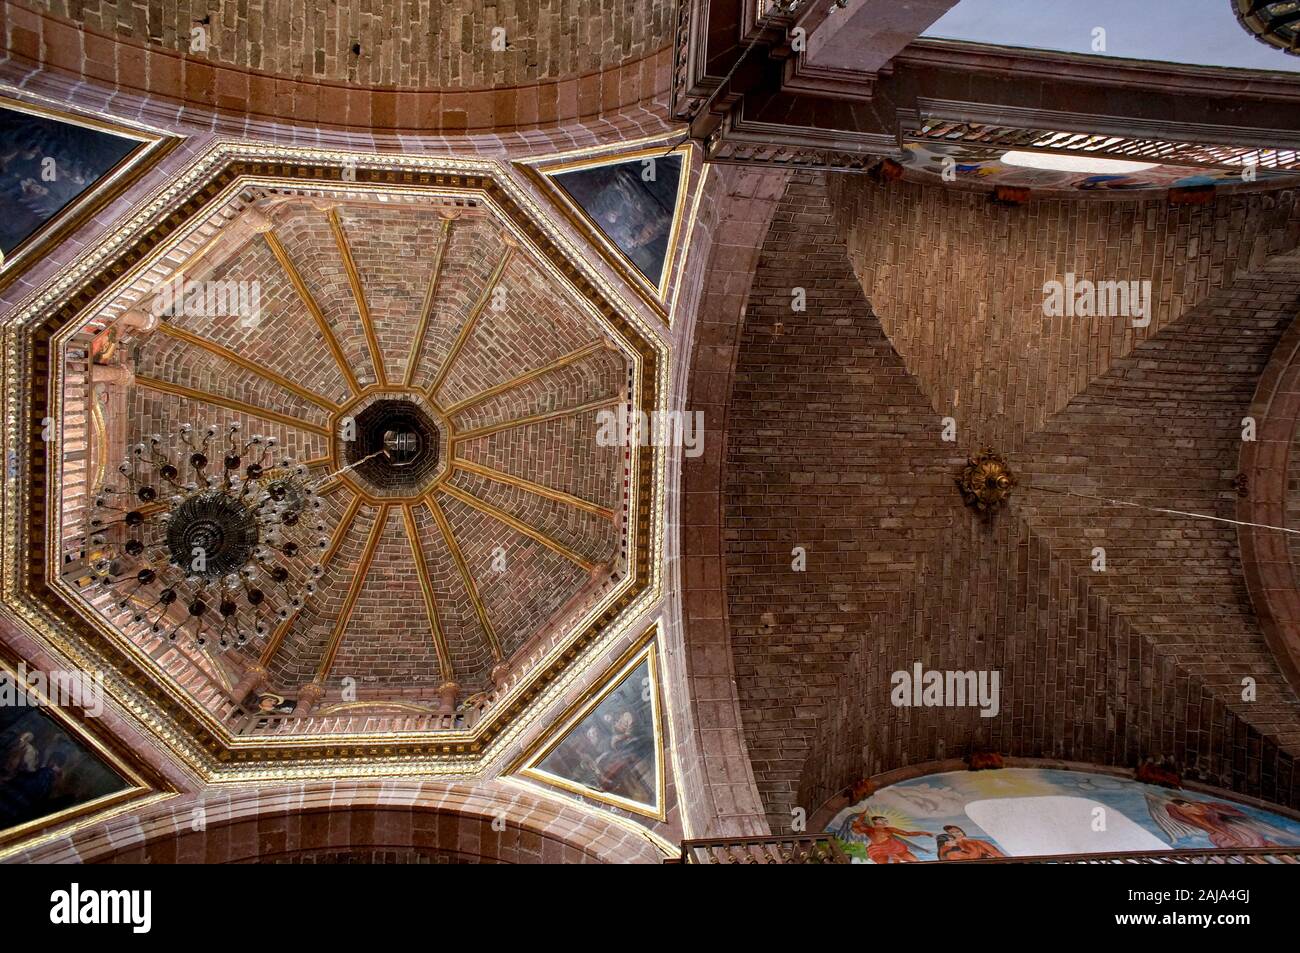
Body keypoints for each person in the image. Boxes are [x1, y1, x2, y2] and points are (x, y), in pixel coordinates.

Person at [850, 813, 933, 864]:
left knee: (915, 861)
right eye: (883, 820)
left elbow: (908, 833)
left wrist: (923, 833)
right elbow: (855, 827)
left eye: (886, 820)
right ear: (876, 821)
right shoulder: (869, 829)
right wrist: (861, 817)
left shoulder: (889, 829)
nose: (886, 822)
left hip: (894, 847)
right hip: (878, 849)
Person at [935, 825, 1004, 860]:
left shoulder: (977, 842)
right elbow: (943, 856)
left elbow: (995, 852)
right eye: (952, 833)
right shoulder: (949, 846)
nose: (956, 834)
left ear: (962, 832)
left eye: (957, 831)